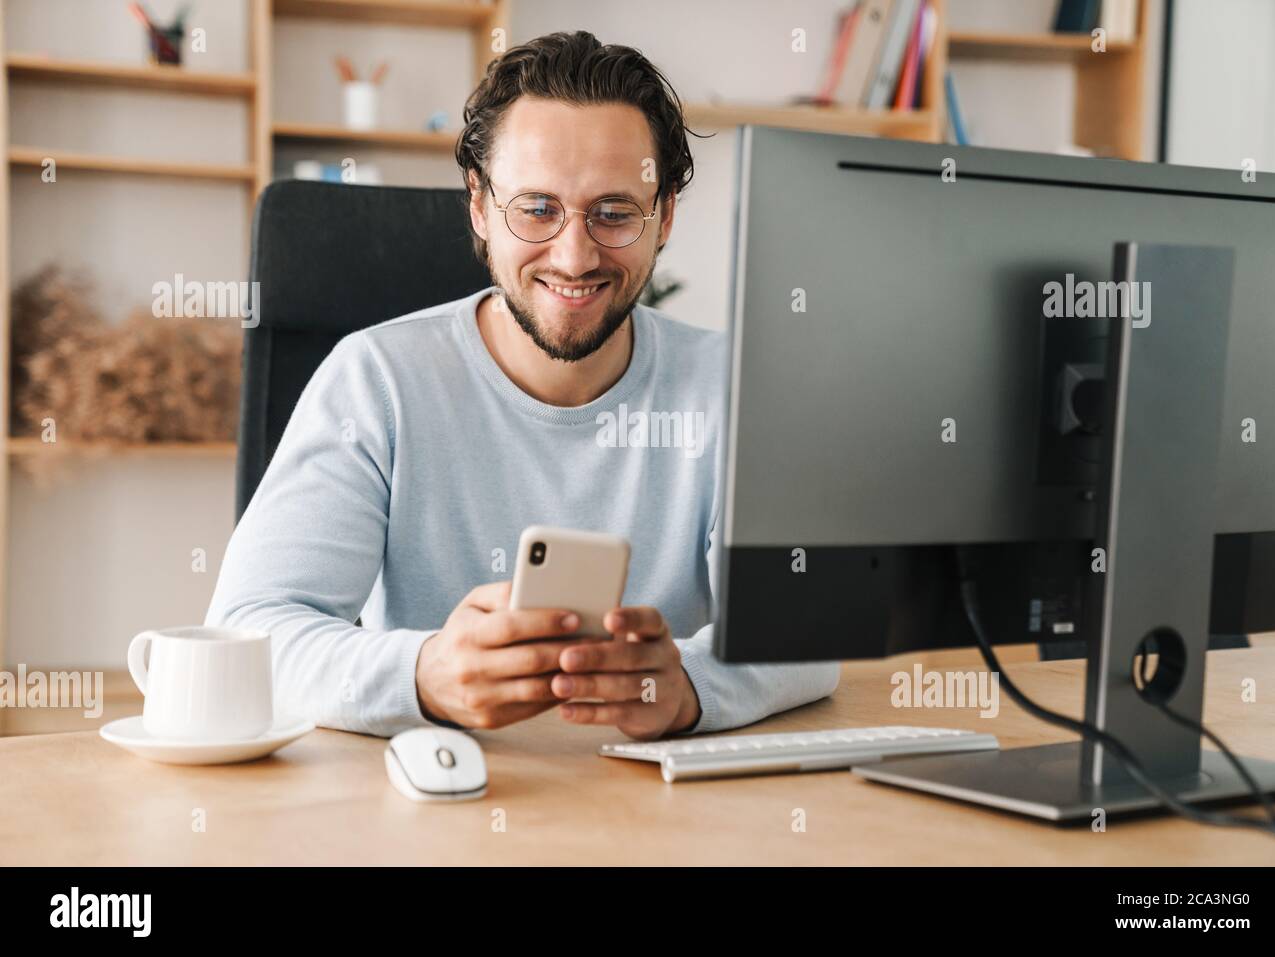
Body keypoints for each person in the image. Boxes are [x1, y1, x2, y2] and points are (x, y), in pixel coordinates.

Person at [206, 31, 839, 739]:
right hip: (436, 808)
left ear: (663, 218)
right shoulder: (374, 381)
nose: (575, 256)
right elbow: (248, 632)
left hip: (665, 810)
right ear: (479, 206)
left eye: (615, 212)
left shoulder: (733, 387)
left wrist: (690, 683)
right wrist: (423, 673)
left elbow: (809, 627)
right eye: (537, 208)